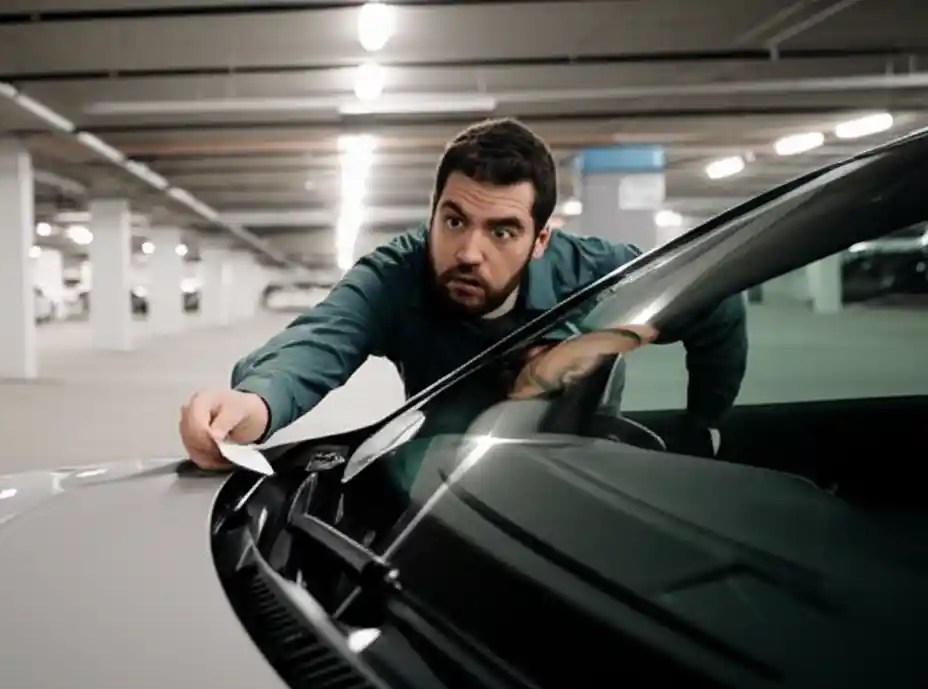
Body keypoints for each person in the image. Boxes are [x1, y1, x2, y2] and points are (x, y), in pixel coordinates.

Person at [179, 117, 747, 469]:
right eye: (453, 221)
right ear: (432, 215)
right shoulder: (396, 276)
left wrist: (702, 423)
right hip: (447, 485)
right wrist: (253, 405)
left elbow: (715, 302)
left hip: (579, 474)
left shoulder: (594, 275)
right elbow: (320, 340)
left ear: (540, 240)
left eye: (502, 232)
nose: (469, 252)